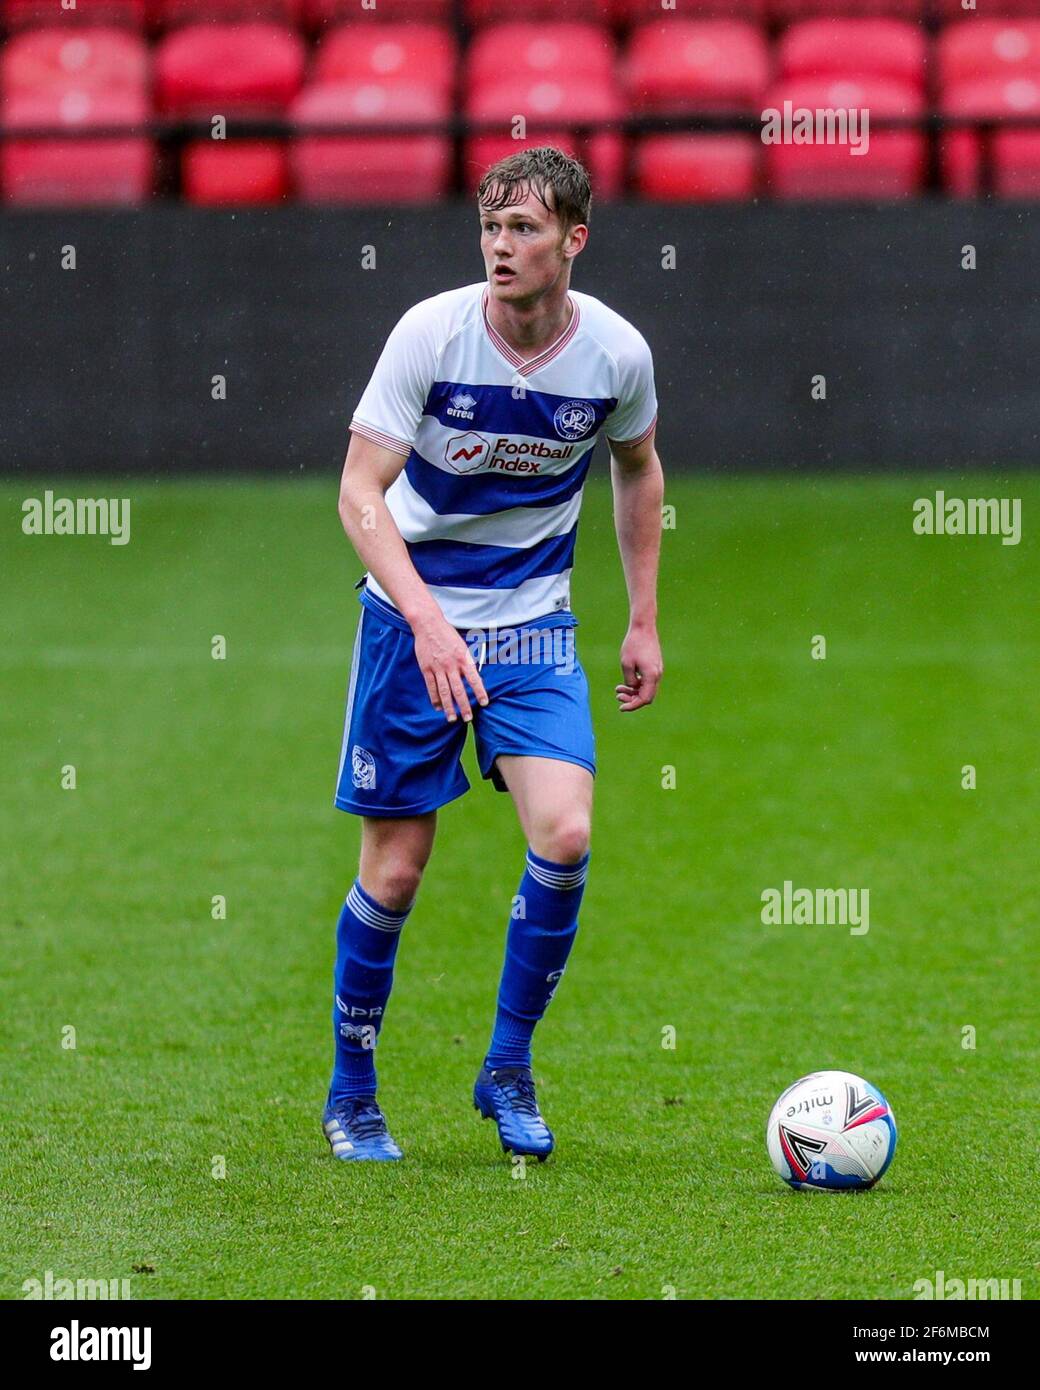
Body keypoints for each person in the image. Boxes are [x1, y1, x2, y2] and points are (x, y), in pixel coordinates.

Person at [324, 145, 664, 1162]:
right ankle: (353, 1092)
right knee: (395, 871)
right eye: (490, 228)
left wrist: (641, 614)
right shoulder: (429, 333)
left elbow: (638, 470)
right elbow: (356, 492)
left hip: (531, 626)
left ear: (574, 240)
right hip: (408, 622)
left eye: (523, 229)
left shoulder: (615, 355)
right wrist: (425, 618)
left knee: (563, 834)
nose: (501, 247)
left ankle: (505, 1065)